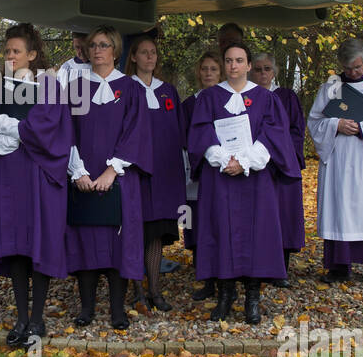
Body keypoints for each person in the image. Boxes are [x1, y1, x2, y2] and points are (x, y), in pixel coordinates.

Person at [0, 23, 72, 346]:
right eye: (6, 52)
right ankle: (20, 317)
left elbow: (51, 126)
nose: (10, 57)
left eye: (16, 51)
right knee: (15, 245)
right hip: (8, 175)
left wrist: (16, 130)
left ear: (32, 54)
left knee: (38, 243)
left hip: (38, 173)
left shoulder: (50, 86)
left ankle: (38, 319)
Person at [187, 42, 299, 323]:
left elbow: (273, 135)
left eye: (239, 60)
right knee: (220, 231)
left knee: (256, 236)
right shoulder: (209, 98)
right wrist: (224, 159)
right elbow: (201, 134)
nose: (233, 66)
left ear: (248, 65)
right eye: (229, 60)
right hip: (219, 178)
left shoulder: (266, 99)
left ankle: (252, 298)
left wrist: (245, 161)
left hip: (255, 180)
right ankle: (225, 296)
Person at [65, 25, 152, 331]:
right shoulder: (75, 87)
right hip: (83, 180)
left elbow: (136, 133)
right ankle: (87, 308)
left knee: (119, 246)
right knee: (85, 244)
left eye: (104, 45)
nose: (97, 50)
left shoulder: (131, 89)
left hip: (120, 181)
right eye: (93, 45)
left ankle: (117, 310)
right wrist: (78, 171)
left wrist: (112, 170)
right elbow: (66, 132)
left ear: (116, 51)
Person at [305, 39, 363, 287]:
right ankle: (338, 267)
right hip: (340, 161)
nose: (353, 73)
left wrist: (361, 128)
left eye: (357, 67)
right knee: (340, 209)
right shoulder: (333, 86)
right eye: (348, 69)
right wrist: (336, 124)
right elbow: (314, 121)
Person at [126, 35, 184, 312]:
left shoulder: (168, 91)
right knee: (137, 231)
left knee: (157, 233)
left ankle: (155, 290)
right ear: (134, 57)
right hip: (137, 173)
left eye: (153, 53)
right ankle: (137, 289)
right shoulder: (126, 88)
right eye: (144, 52)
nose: (150, 57)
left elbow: (178, 131)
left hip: (164, 173)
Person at [251, 52, 306, 287]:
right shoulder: (245, 97)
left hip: (281, 166)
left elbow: (296, 130)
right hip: (254, 167)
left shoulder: (286, 96)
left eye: (267, 69)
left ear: (274, 72)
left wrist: (283, 156)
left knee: (282, 216)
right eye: (258, 69)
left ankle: (281, 268)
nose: (263, 74)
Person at [182, 51, 221, 300]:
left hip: (225, 173)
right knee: (196, 225)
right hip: (196, 172)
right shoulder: (189, 104)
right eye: (204, 69)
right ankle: (204, 276)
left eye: (213, 69)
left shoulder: (228, 100)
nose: (208, 73)